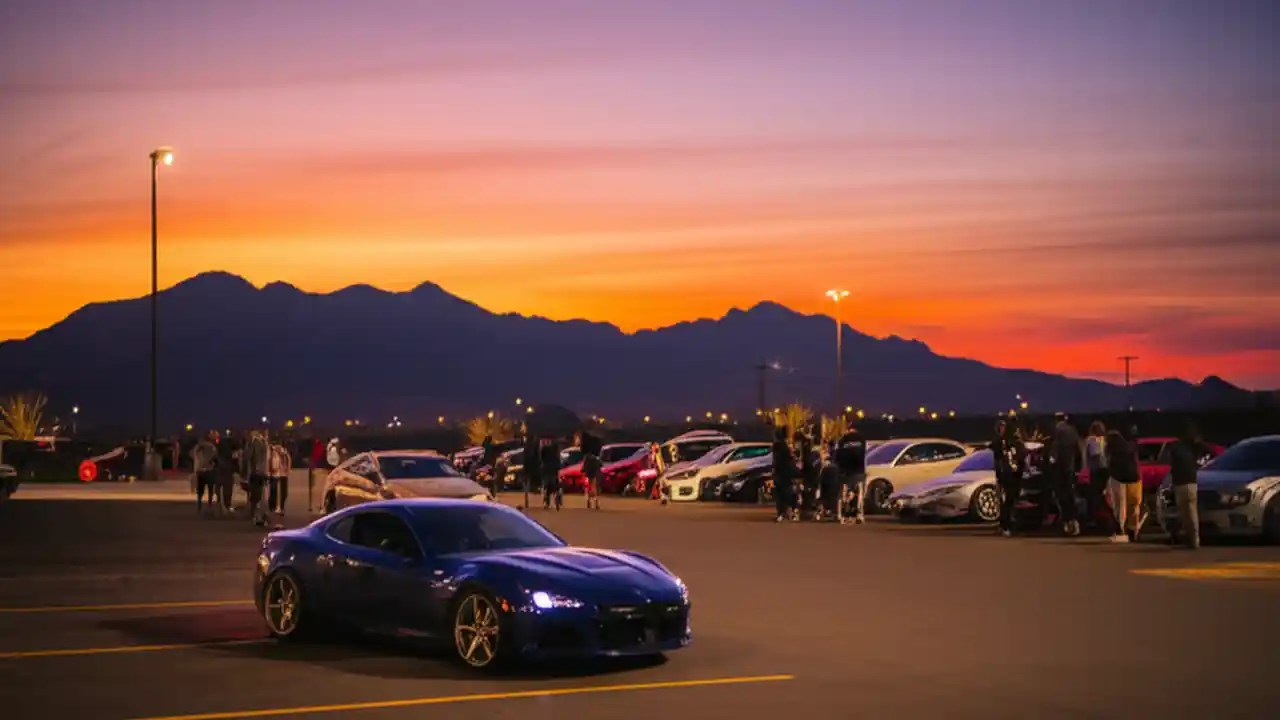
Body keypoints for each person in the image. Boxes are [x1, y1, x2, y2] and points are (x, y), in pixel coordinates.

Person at [1105, 427, 1143, 542]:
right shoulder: (1130, 446)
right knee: (1134, 505)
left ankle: (1120, 531)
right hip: (1134, 478)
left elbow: (1109, 463)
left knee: (1119, 506)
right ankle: (1133, 530)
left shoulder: (1112, 449)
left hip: (1118, 479)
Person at [1168, 423, 1202, 549]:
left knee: (1184, 513)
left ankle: (1190, 538)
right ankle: (1195, 539)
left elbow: (1172, 463)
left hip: (1180, 483)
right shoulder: (1193, 448)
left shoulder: (1176, 448)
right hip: (1191, 482)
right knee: (1192, 512)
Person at [1050, 413, 1083, 536]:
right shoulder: (1073, 431)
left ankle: (1066, 522)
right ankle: (1074, 521)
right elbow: (1077, 451)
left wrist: (1051, 462)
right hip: (1071, 468)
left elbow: (1054, 449)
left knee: (1061, 496)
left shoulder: (1057, 431)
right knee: (1070, 495)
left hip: (1060, 469)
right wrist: (1078, 468)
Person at [991, 420, 1024, 537]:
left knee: (1008, 502)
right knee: (1007, 502)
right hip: (1007, 475)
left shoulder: (1008, 443)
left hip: (1009, 475)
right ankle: (1005, 525)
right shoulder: (1007, 442)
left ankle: (1006, 525)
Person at [1083, 421, 1113, 534]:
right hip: (1106, 470)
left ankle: (1096, 518)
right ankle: (1106, 517)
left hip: (1097, 471)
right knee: (1105, 494)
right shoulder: (1105, 440)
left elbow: (1095, 455)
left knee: (1095, 494)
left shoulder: (1092, 440)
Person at [834, 428, 868, 525]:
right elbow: (863, 453)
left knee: (842, 492)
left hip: (845, 470)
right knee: (860, 491)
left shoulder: (842, 440)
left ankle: (841, 514)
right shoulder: (861, 439)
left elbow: (837, 455)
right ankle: (859, 515)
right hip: (858, 470)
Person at [241, 430, 271, 526]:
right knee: (262, 494)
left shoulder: (255, 443)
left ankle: (256, 515)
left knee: (255, 494)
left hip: (256, 472)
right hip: (264, 472)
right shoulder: (265, 443)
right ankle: (262, 514)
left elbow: (249, 456)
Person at [771, 427, 795, 523]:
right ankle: (784, 512)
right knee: (784, 493)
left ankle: (782, 512)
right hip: (785, 473)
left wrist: (774, 469)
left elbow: (777, 461)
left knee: (780, 494)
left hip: (780, 473)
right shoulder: (784, 446)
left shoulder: (778, 446)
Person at [191, 431, 219, 515]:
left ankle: (199, 505)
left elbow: (193, 455)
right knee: (210, 489)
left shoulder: (198, 447)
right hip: (209, 470)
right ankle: (209, 505)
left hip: (200, 470)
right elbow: (215, 458)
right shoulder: (213, 447)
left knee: (200, 490)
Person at [580, 431, 603, 510]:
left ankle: (588, 499)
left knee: (588, 483)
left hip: (588, 463)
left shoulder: (585, 441)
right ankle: (596, 501)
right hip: (595, 463)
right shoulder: (597, 441)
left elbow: (582, 451)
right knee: (595, 483)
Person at [268, 442, 291, 517]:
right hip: (275, 475)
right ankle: (274, 506)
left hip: (282, 474)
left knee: (283, 492)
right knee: (274, 491)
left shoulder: (284, 453)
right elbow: (270, 463)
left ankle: (281, 506)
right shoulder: (272, 453)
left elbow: (288, 461)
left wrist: (287, 470)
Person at [540, 437, 562, 511]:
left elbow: (541, 458)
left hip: (546, 469)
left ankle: (546, 502)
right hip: (554, 469)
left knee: (546, 485)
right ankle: (556, 496)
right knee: (554, 484)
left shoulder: (544, 449)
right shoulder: (556, 450)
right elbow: (558, 460)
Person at [521, 431, 541, 510]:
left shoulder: (528, 444)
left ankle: (528, 495)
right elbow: (537, 455)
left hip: (528, 464)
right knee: (532, 478)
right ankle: (533, 489)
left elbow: (526, 455)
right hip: (532, 465)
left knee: (527, 479)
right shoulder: (535, 442)